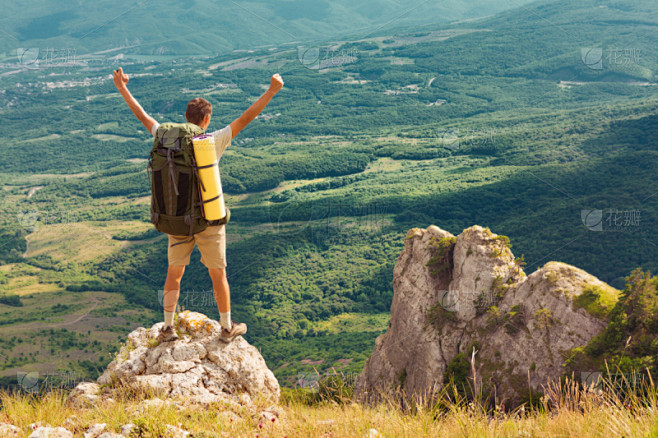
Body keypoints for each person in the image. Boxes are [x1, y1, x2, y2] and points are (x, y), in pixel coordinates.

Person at [112, 67, 284, 343]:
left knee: (174, 274)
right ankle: (227, 327)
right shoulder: (210, 141)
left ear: (185, 118)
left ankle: (167, 328)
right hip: (209, 220)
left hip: (176, 218)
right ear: (206, 119)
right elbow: (245, 118)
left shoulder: (164, 137)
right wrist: (272, 90)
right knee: (218, 275)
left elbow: (142, 115)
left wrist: (122, 87)